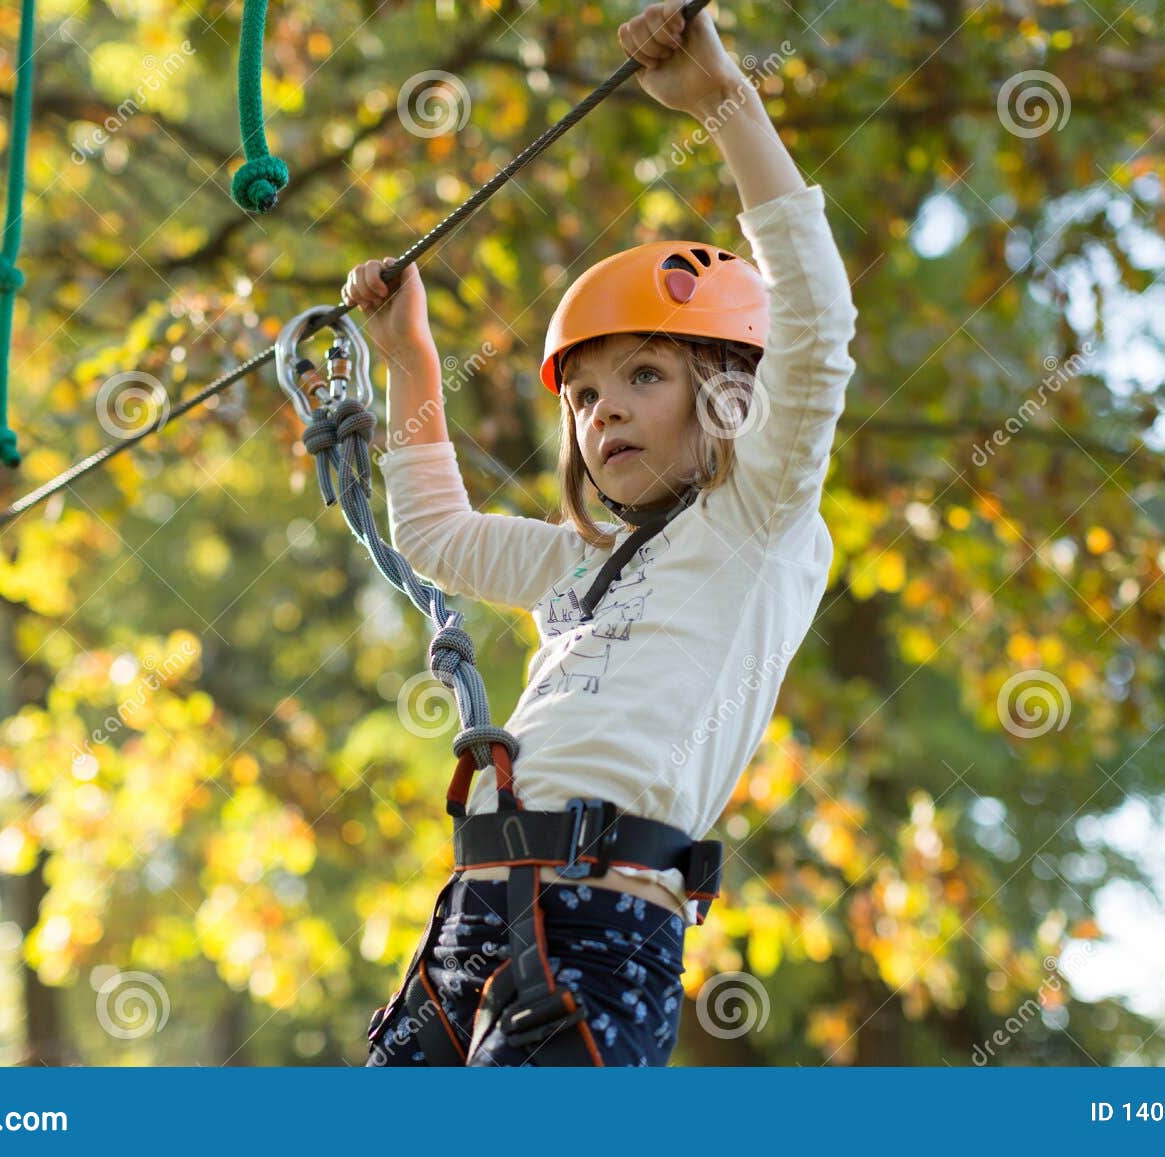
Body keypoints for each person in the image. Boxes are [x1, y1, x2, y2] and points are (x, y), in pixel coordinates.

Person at [346, 0, 858, 1066]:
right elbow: (432, 530)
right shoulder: (576, 561)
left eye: (642, 374)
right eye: (581, 393)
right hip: (465, 928)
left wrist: (723, 102)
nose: (603, 410)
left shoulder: (756, 524)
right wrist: (411, 365)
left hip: (599, 934)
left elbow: (813, 321)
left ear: (726, 394)